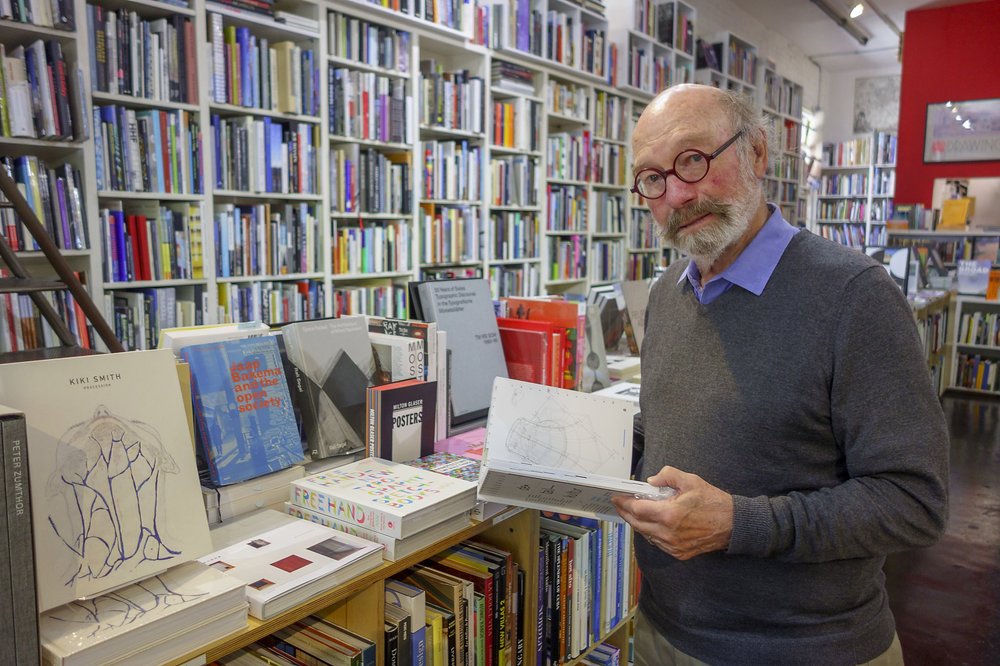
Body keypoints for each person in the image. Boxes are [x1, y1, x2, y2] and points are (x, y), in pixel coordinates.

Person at [610, 84, 949, 666]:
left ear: (758, 154)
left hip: (809, 650)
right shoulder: (666, 295)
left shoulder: (854, 296)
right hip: (662, 634)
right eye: (652, 178)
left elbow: (914, 500)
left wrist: (738, 525)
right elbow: (664, 427)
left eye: (694, 160)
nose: (679, 195)